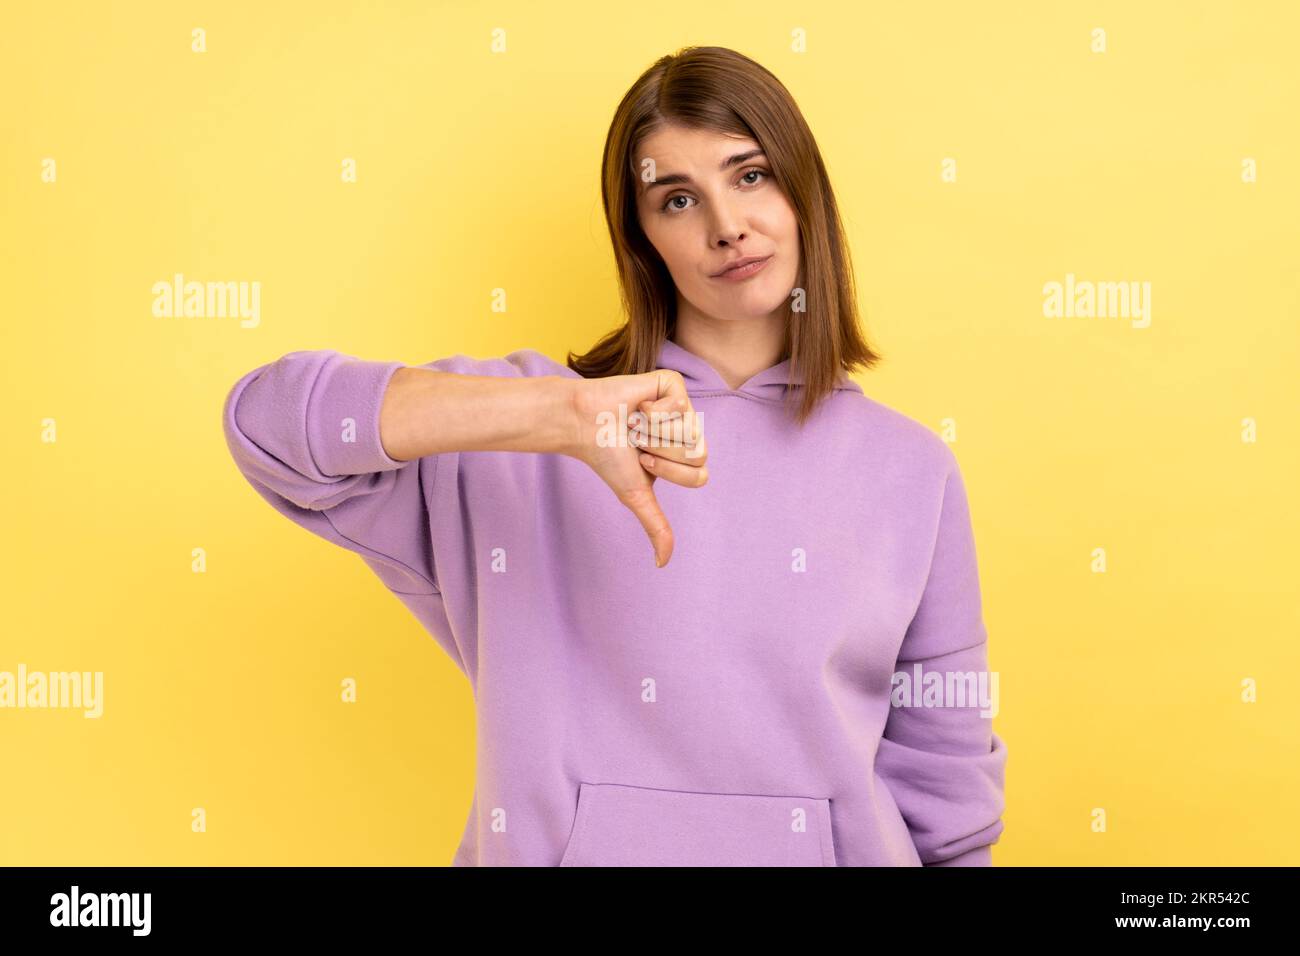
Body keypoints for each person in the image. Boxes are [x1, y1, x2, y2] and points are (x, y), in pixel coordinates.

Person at [222, 45, 1007, 866]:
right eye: (676, 199)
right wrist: (554, 412)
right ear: (642, 240)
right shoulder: (518, 438)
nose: (727, 226)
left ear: (804, 188)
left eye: (750, 175)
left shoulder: (911, 469)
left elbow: (950, 795)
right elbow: (266, 425)